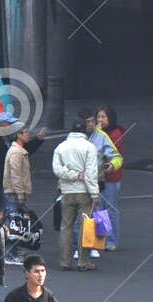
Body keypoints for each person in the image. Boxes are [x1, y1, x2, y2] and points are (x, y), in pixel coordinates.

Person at [51, 110, 100, 271]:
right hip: (85, 192)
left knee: (66, 227)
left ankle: (65, 261)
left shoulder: (60, 147)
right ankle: (83, 261)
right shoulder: (89, 147)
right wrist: (94, 193)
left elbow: (57, 170)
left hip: (66, 191)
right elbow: (91, 173)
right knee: (85, 226)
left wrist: (72, 175)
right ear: (84, 129)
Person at [91, 106, 124, 253]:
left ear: (110, 118)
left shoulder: (115, 133)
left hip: (111, 177)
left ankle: (112, 240)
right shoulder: (98, 133)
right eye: (99, 117)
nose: (100, 120)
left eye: (104, 117)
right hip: (99, 177)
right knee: (100, 210)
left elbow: (112, 154)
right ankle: (103, 238)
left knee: (110, 209)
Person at [2, 129, 34, 264]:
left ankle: (12, 252)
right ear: (18, 135)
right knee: (13, 224)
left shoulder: (18, 151)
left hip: (13, 192)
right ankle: (10, 255)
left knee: (15, 223)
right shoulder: (16, 152)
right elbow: (15, 175)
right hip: (13, 193)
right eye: (25, 133)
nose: (29, 135)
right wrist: (20, 193)